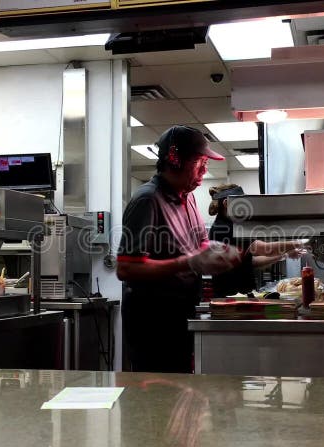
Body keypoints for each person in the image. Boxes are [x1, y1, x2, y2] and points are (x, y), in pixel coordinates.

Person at [116, 125, 241, 373]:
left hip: (182, 313)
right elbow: (126, 267)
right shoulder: (147, 200)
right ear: (175, 160)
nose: (205, 169)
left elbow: (199, 245)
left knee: (181, 391)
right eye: (199, 162)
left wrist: (217, 252)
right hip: (153, 320)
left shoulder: (189, 197)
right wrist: (189, 263)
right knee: (158, 397)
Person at [208, 183, 305, 297]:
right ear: (226, 203)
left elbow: (251, 261)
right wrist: (300, 243)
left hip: (239, 295)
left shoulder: (230, 225)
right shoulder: (224, 228)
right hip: (231, 297)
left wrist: (285, 255)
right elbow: (264, 249)